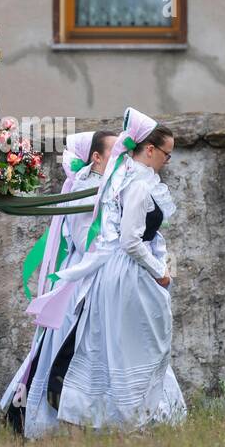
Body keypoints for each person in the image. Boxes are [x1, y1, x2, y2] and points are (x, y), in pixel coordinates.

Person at [36, 109, 187, 430]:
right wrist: (159, 270)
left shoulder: (131, 179)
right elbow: (131, 240)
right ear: (149, 150)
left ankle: (138, 414)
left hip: (128, 269)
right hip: (128, 272)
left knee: (131, 344)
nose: (167, 161)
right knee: (133, 345)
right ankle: (128, 416)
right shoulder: (137, 185)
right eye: (167, 154)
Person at [0, 129, 114, 437]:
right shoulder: (85, 189)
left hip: (103, 273)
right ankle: (62, 415)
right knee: (75, 343)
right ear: (96, 157)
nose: (123, 157)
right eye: (114, 151)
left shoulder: (108, 186)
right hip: (85, 277)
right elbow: (86, 240)